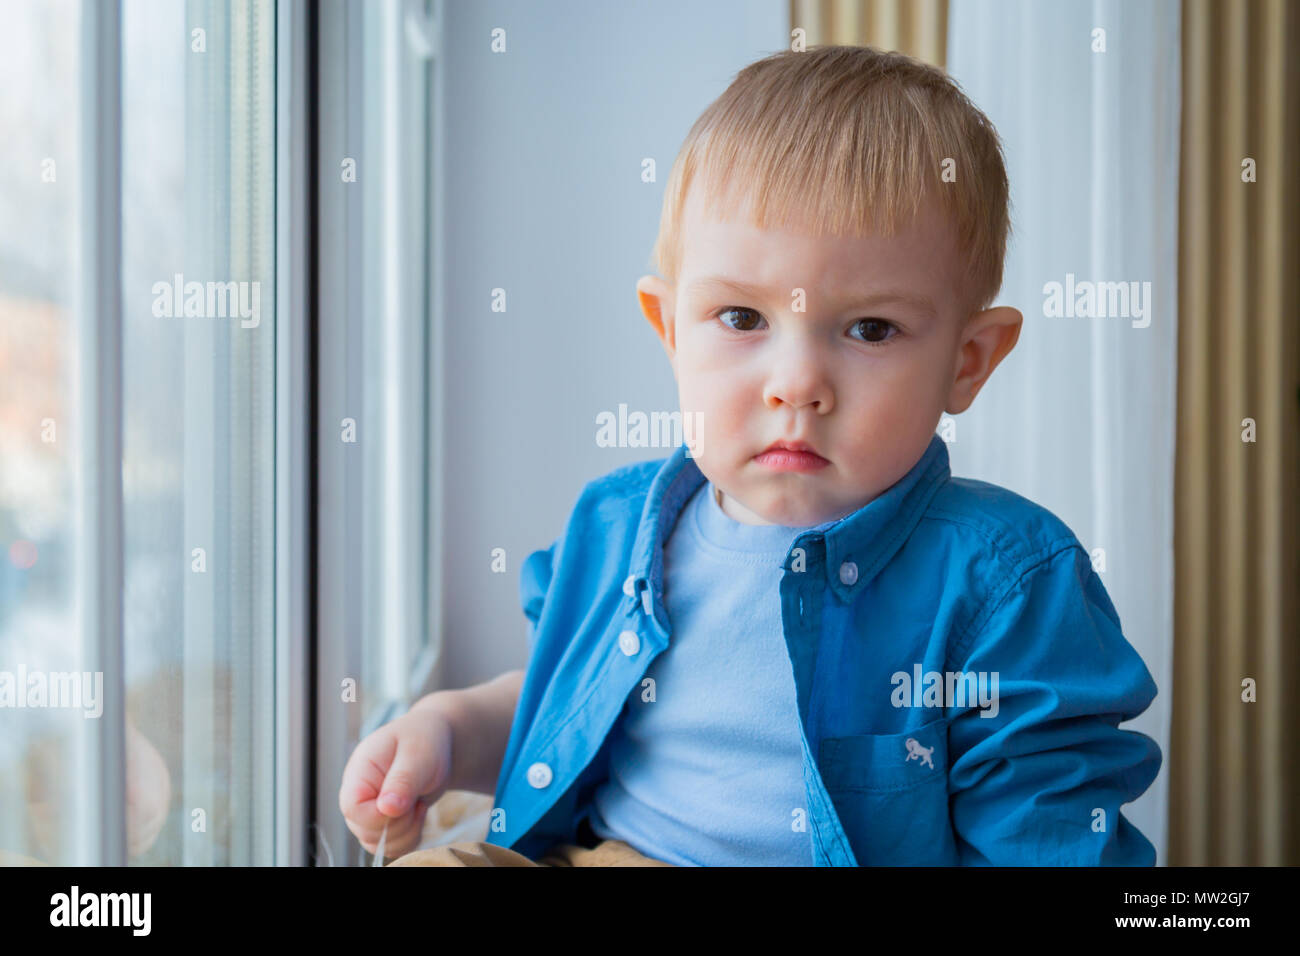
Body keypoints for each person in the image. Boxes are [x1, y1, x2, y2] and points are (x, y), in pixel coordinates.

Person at [340, 44, 1161, 867]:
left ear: (967, 360)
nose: (797, 384)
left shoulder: (1003, 582)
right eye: (741, 318)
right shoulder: (619, 526)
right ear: (669, 329)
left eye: (870, 329)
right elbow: (560, 704)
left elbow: (1051, 835)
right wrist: (445, 732)